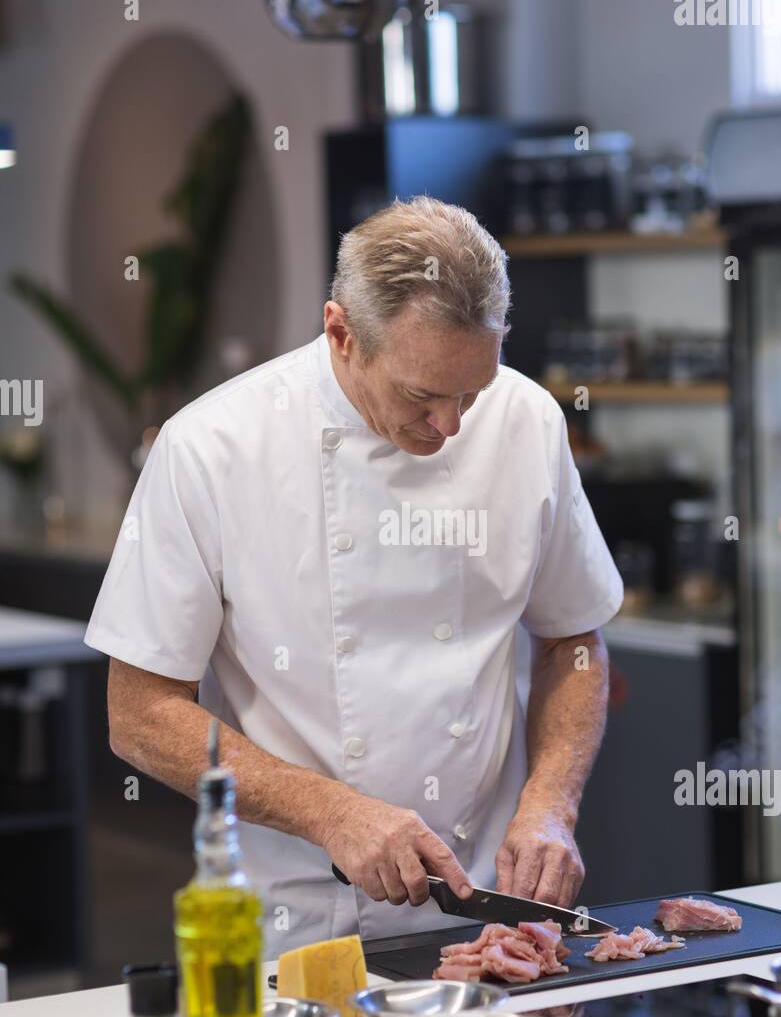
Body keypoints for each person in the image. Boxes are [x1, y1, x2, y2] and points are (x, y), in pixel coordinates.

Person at [86, 196, 623, 954]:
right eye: (420, 395)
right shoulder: (211, 447)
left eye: (471, 391)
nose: (450, 428)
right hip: (303, 914)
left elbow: (574, 640)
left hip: (489, 909)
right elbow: (139, 715)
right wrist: (332, 812)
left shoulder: (528, 421)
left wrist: (550, 804)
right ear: (341, 333)